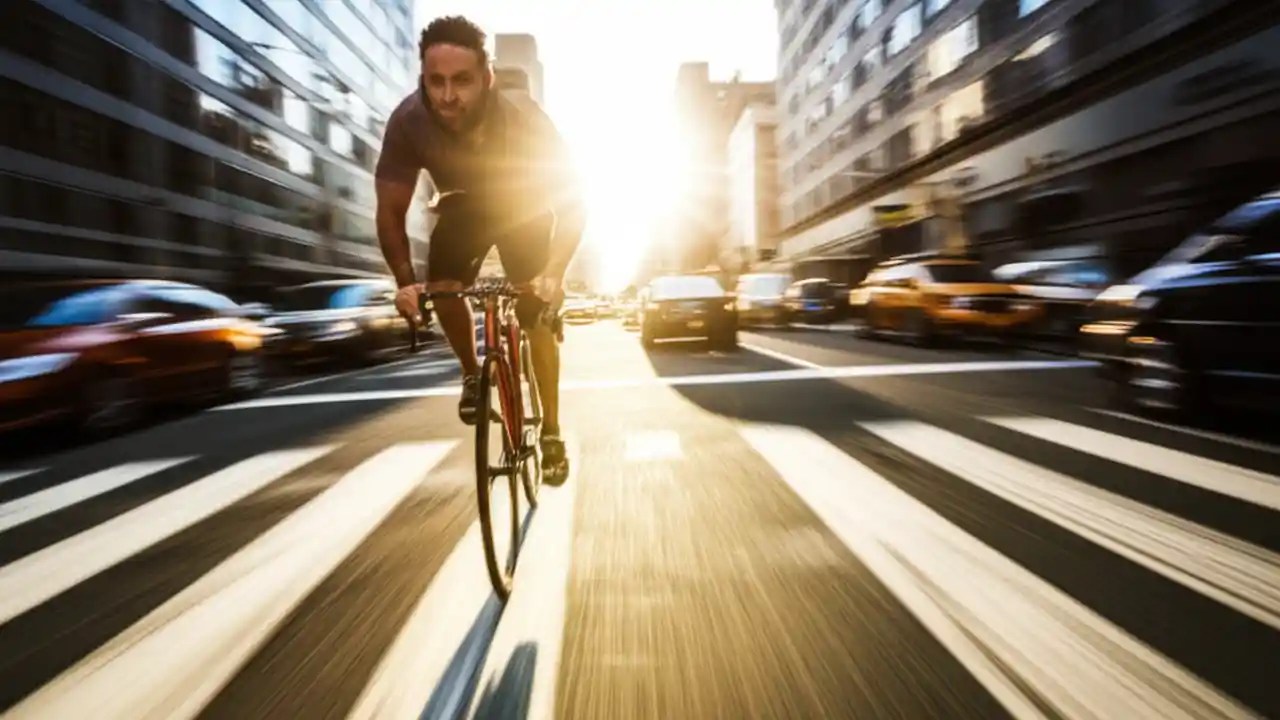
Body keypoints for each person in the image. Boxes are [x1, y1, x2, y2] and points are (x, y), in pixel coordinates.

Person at [375, 16, 584, 484]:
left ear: (487, 77)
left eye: (463, 81)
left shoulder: (523, 116)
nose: (449, 96)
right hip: (462, 207)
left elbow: (573, 200)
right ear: (423, 79)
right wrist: (405, 282)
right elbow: (389, 209)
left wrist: (553, 271)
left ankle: (550, 429)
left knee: (536, 316)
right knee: (443, 284)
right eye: (436, 81)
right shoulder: (409, 121)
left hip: (523, 206)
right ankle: (473, 373)